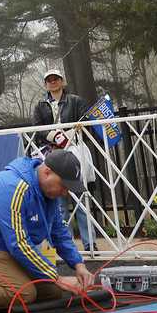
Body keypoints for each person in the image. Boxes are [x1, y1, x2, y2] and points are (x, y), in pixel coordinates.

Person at [0, 150, 95, 310]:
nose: (65, 192)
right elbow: (19, 243)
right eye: (64, 186)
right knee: (24, 294)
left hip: (8, 246)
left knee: (52, 291)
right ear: (47, 172)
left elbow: (59, 233)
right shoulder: (11, 188)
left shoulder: (48, 195)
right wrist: (57, 277)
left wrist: (78, 265)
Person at [30, 69, 94, 250]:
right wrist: (52, 135)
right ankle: (64, 245)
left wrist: (70, 134)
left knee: (81, 198)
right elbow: (37, 129)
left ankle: (90, 244)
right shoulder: (40, 105)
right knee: (59, 204)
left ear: (62, 81)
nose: (52, 82)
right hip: (52, 155)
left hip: (74, 152)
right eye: (49, 80)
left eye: (56, 79)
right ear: (45, 84)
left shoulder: (76, 101)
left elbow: (85, 122)